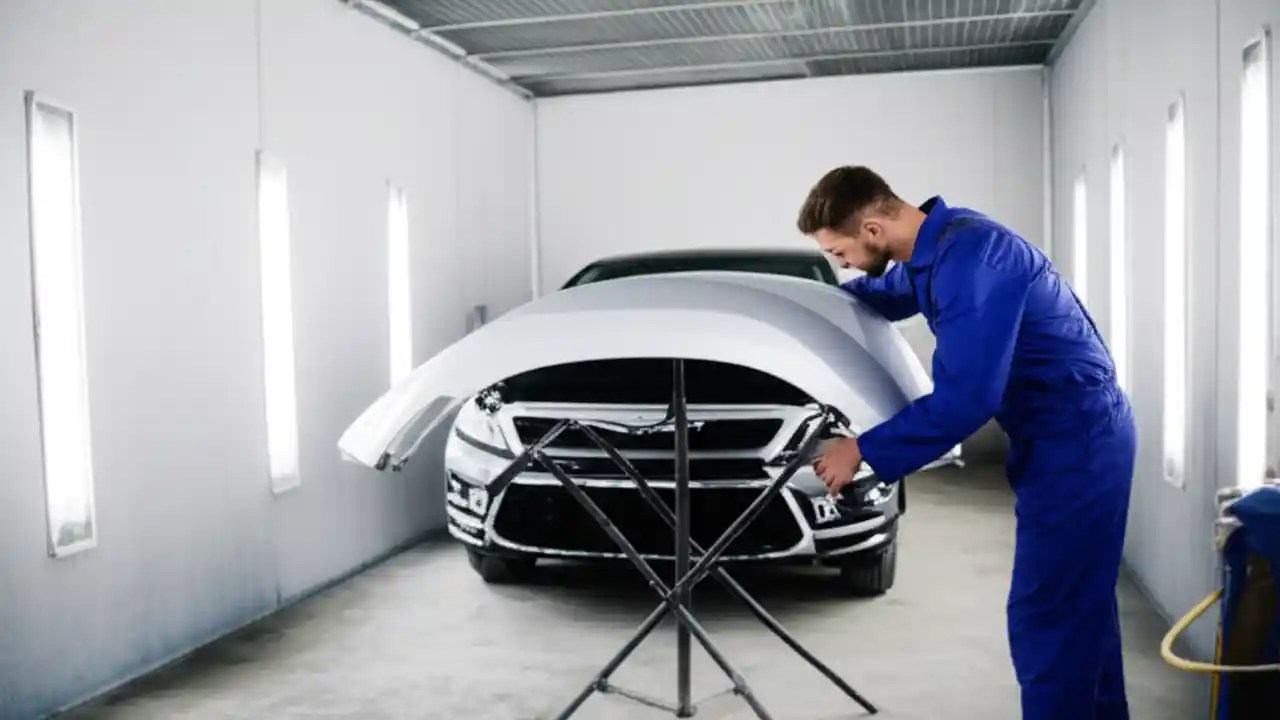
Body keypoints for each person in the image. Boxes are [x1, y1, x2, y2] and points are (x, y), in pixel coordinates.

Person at [796, 166, 1136, 720]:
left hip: (1080, 442)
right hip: (1058, 437)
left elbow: (965, 401)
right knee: (1081, 611)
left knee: (1045, 616)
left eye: (841, 254)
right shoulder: (936, 249)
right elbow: (882, 293)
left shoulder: (978, 258)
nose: (845, 266)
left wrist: (861, 450)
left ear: (875, 230)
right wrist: (808, 300)